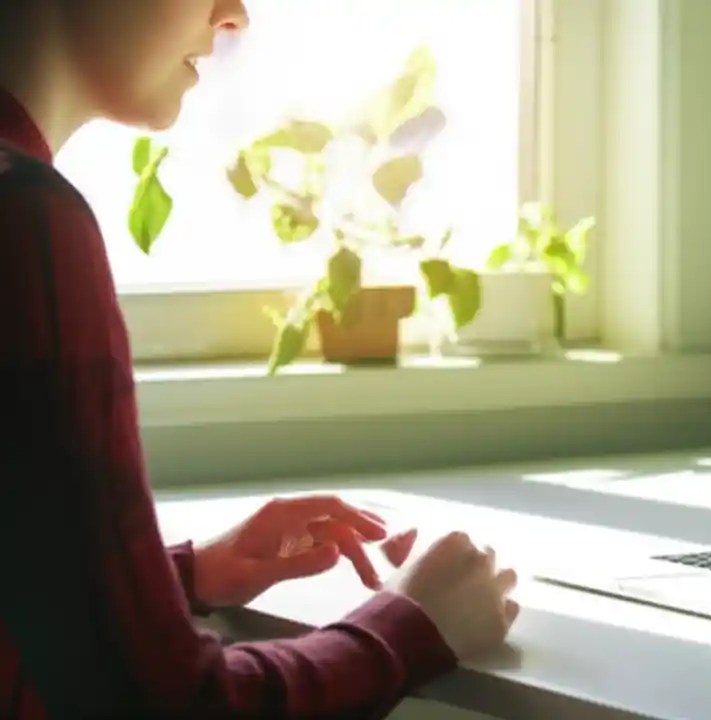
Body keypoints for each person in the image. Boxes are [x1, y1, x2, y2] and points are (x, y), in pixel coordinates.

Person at [0, 1, 519, 717]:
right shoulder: (25, 222)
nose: (234, 14)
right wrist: (410, 627)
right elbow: (165, 709)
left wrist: (177, 578)